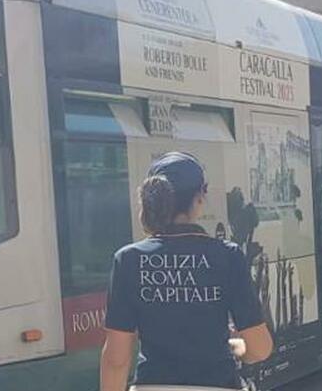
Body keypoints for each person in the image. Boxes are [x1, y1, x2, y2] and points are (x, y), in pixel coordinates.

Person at [100, 152, 274, 391]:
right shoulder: (228, 255)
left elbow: (116, 360)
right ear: (199, 198)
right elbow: (260, 349)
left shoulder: (128, 259)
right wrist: (234, 346)